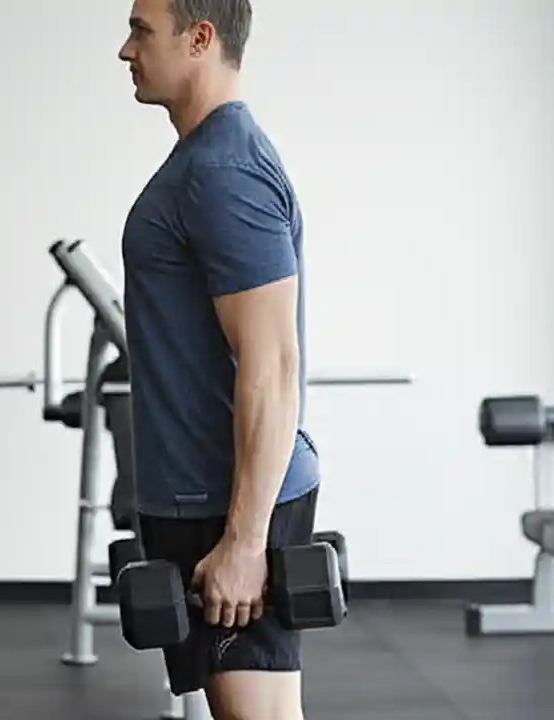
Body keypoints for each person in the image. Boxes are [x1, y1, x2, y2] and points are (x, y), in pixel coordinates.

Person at [117, 0, 319, 718]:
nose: (125, 50)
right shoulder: (204, 158)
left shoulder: (226, 172)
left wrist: (245, 542)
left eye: (141, 31)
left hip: (224, 505)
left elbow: (272, 367)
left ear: (199, 38)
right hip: (199, 497)